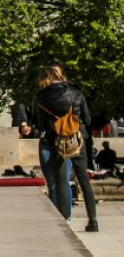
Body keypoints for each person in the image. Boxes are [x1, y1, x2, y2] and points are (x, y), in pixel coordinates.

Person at [33, 62, 100, 231]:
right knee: (83, 179)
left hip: (57, 140)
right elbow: (88, 119)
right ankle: (93, 220)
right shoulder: (76, 92)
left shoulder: (42, 97)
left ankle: (65, 222)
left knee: (61, 179)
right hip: (78, 139)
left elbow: (41, 126)